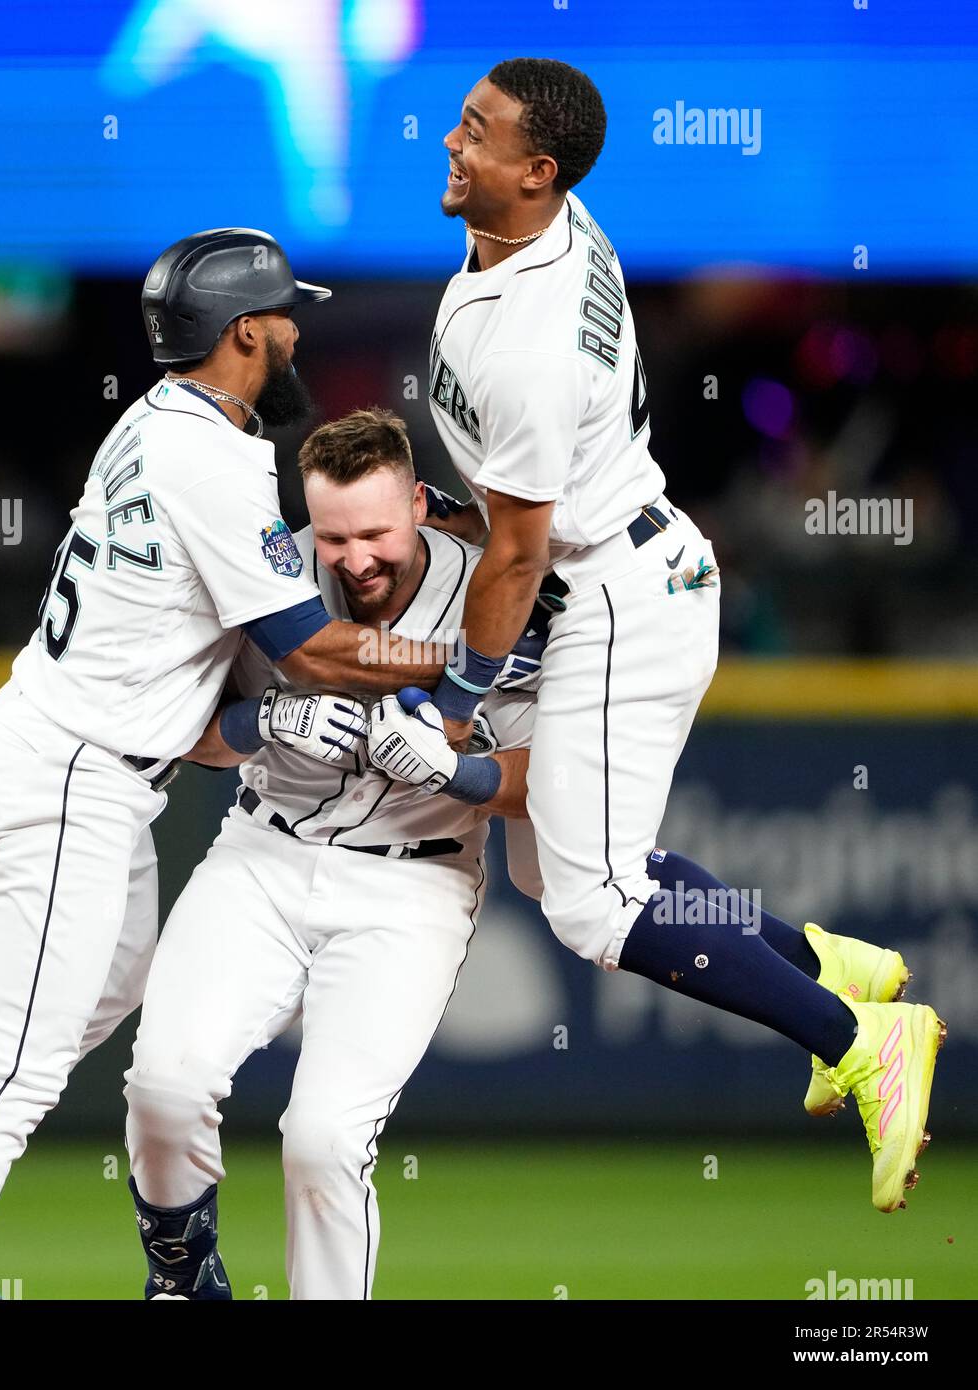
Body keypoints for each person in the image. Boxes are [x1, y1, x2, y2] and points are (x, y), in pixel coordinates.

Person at [0, 230, 451, 1301]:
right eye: (283, 318)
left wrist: (269, 723)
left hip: (91, 760)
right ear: (243, 333)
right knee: (22, 1055)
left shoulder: (152, 424)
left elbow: (206, 704)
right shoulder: (213, 459)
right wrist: (459, 657)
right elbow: (311, 652)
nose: (293, 334)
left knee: (112, 984)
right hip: (68, 776)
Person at [419, 57, 944, 1213]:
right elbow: (516, 520)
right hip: (614, 558)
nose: (451, 143)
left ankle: (859, 1041)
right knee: (546, 854)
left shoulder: (529, 337)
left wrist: (453, 695)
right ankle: (827, 964)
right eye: (461, 121)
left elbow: (516, 552)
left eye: (476, 131)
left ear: (537, 172)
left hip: (615, 594)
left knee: (591, 902)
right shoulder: (548, 227)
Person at [122, 408, 536, 1300]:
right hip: (261, 853)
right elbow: (185, 733)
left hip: (411, 880)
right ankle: (184, 1281)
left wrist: (458, 774)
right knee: (162, 1086)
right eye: (334, 534)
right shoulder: (271, 579)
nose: (354, 559)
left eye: (377, 533)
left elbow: (551, 780)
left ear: (421, 505)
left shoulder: (492, 594)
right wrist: (263, 719)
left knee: (323, 1139)